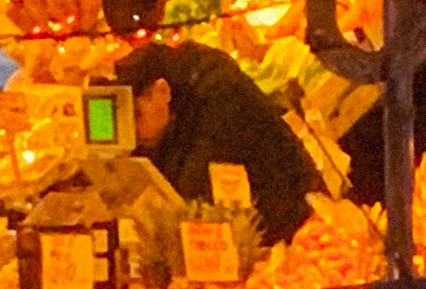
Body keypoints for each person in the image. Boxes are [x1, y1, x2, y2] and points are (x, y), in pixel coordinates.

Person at [118, 39, 318, 248]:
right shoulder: (179, 107)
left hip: (283, 226)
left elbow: (196, 194)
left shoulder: (222, 97)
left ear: (162, 91)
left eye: (136, 115)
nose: (132, 130)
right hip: (247, 226)